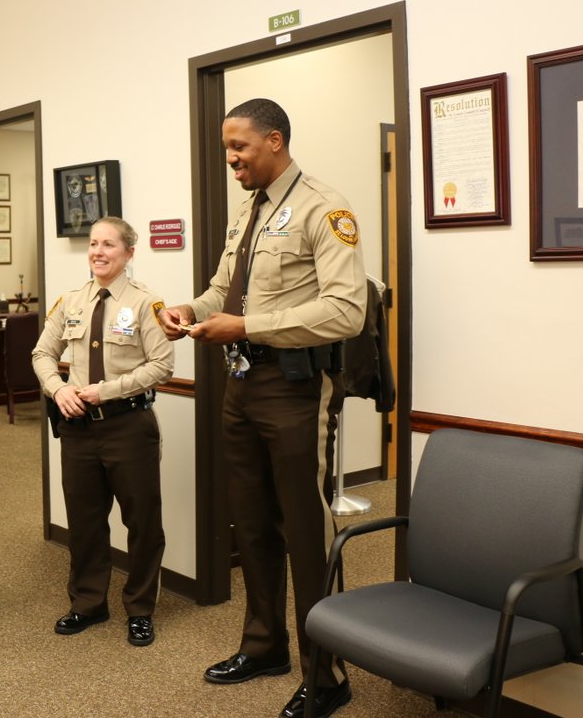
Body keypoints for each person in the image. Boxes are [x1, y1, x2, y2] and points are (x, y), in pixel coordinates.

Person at [157, 99, 366, 718]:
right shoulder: (249, 210)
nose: (231, 159)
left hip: (296, 388)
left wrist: (248, 326)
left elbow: (347, 310)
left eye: (239, 147)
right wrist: (191, 310)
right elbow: (225, 289)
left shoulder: (325, 208)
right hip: (242, 386)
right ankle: (265, 644)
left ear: (275, 141)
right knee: (250, 522)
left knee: (303, 528)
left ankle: (327, 673)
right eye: (227, 148)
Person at [31, 216, 174, 647]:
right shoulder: (71, 301)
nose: (98, 252)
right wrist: (58, 389)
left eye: (108, 244)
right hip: (78, 430)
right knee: (85, 520)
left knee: (142, 521)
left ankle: (140, 609)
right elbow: (42, 353)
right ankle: (88, 603)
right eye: (93, 244)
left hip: (128, 426)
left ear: (129, 252)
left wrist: (106, 391)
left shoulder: (146, 303)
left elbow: (163, 365)